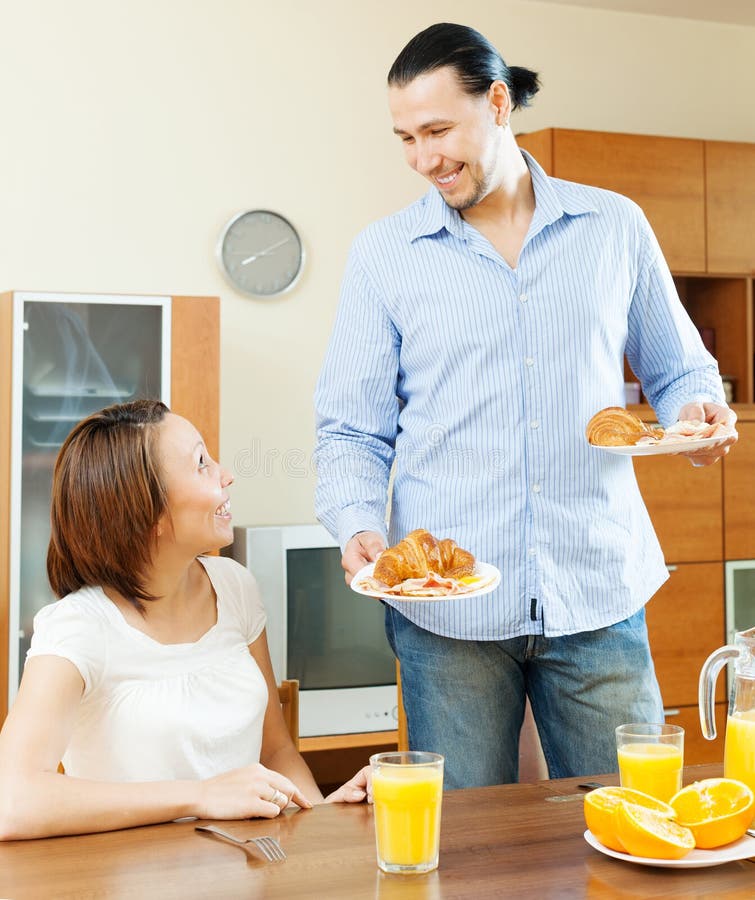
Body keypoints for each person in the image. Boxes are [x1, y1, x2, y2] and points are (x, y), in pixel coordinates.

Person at [314, 22, 738, 789]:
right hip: (448, 617)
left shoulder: (612, 226)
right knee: (470, 845)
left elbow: (679, 370)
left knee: (633, 817)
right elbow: (350, 426)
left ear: (498, 103)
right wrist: (357, 523)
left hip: (597, 590)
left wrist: (701, 412)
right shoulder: (383, 256)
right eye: (405, 138)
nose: (424, 159)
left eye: (439, 129)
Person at [0, 400, 368, 840]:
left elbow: (275, 750)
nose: (226, 474)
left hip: (246, 874)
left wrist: (321, 814)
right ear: (148, 511)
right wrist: (199, 796)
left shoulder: (235, 588)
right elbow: (11, 801)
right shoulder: (78, 627)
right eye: (201, 464)